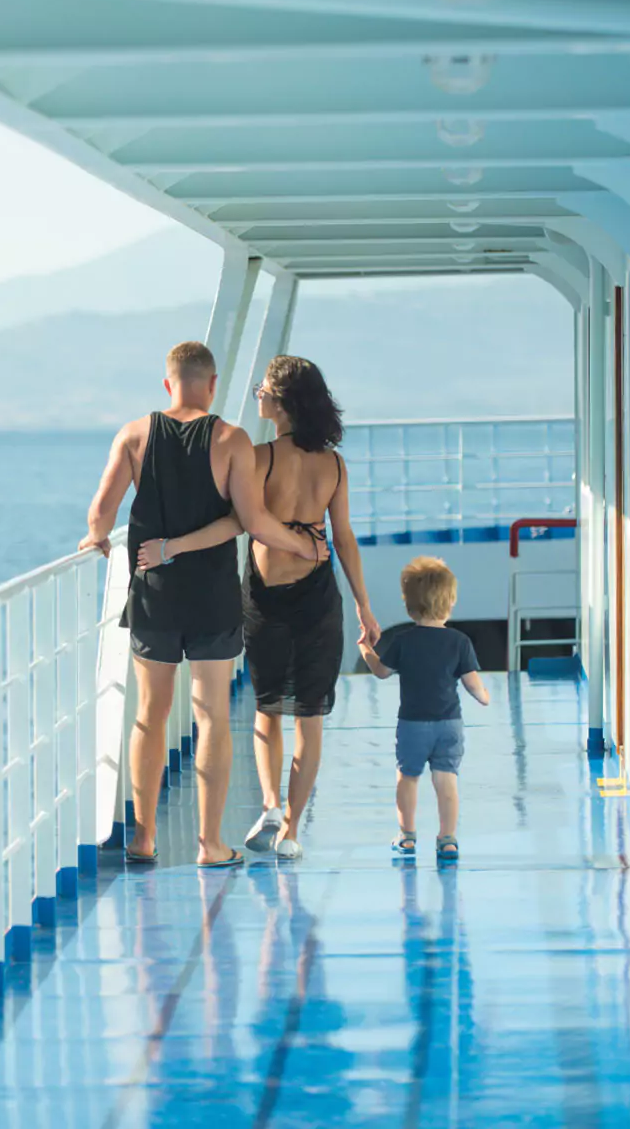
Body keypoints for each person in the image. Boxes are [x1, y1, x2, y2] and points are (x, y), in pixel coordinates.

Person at [79, 341, 324, 869]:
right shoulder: (232, 440)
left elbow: (101, 513)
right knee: (211, 716)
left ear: (168, 384)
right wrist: (304, 544)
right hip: (212, 598)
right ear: (212, 385)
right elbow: (254, 522)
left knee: (149, 714)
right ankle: (210, 845)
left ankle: (142, 838)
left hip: (154, 593)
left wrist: (96, 538)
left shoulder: (134, 435)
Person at [137, 356, 379, 861]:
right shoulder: (334, 464)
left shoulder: (261, 456)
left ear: (283, 401)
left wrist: (172, 546)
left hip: (266, 595)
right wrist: (364, 606)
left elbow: (237, 523)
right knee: (309, 717)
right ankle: (289, 829)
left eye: (263, 390)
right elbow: (345, 540)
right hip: (319, 594)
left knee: (267, 711)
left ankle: (271, 804)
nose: (258, 397)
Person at [358, 556, 490, 862]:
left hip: (412, 725)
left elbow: (381, 672)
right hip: (449, 725)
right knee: (447, 782)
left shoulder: (403, 641)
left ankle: (406, 836)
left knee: (407, 778)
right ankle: (447, 839)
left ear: (409, 605)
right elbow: (472, 684)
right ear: (451, 601)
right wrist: (484, 696)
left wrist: (365, 647)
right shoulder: (460, 641)